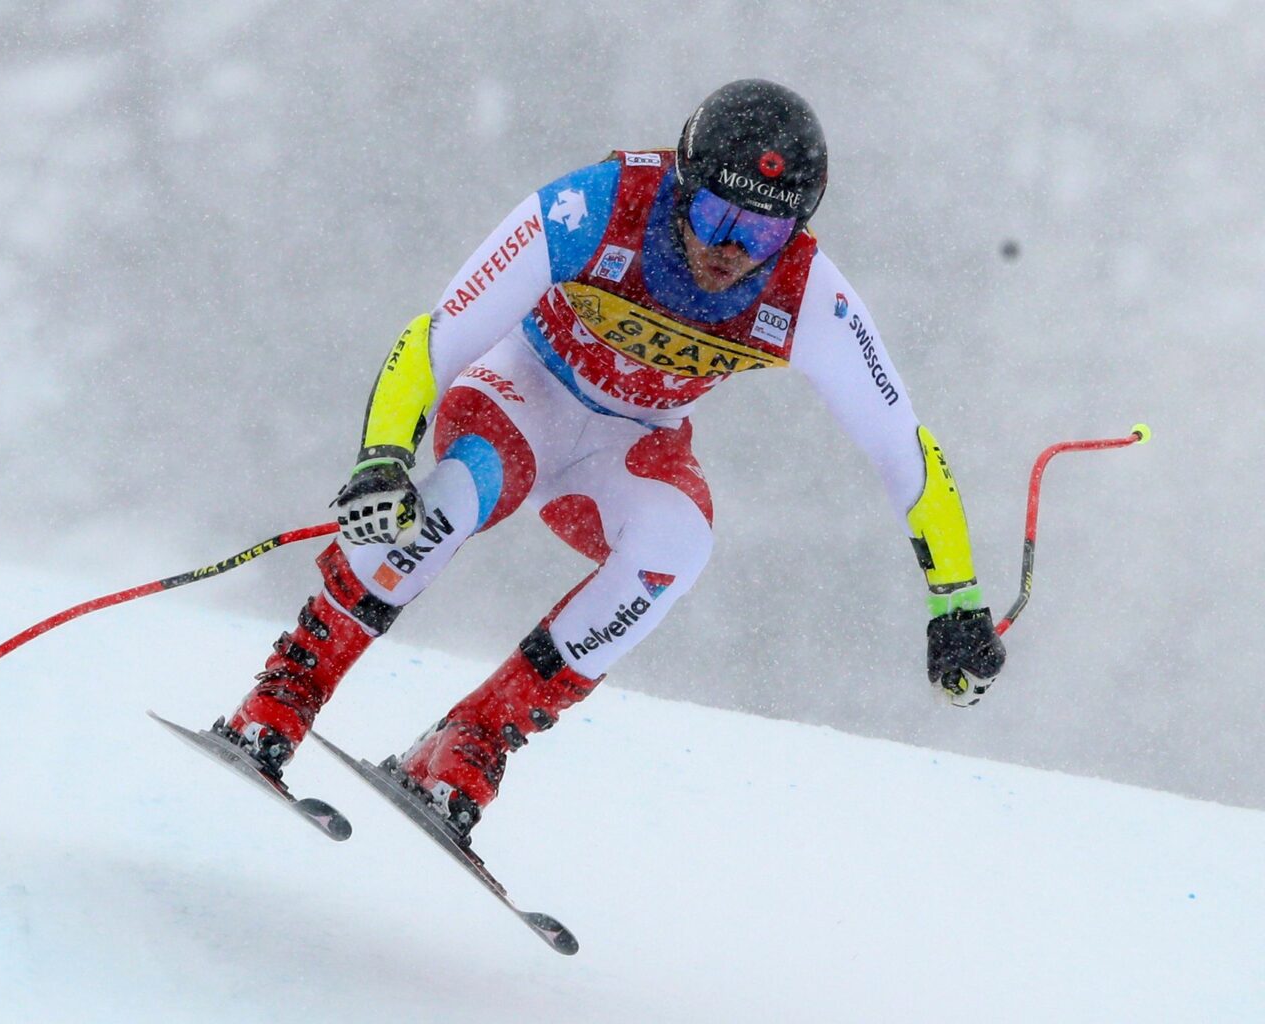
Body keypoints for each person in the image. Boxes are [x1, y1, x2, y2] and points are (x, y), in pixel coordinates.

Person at [213, 80, 1006, 840]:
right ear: (683, 182)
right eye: (714, 211)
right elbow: (437, 336)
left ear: (794, 230)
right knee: (458, 493)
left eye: (762, 231)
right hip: (519, 396)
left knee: (677, 549)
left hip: (628, 446)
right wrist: (383, 456)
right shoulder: (598, 204)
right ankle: (285, 695)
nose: (731, 247)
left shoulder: (807, 294)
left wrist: (957, 600)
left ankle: (465, 749)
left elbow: (904, 448)